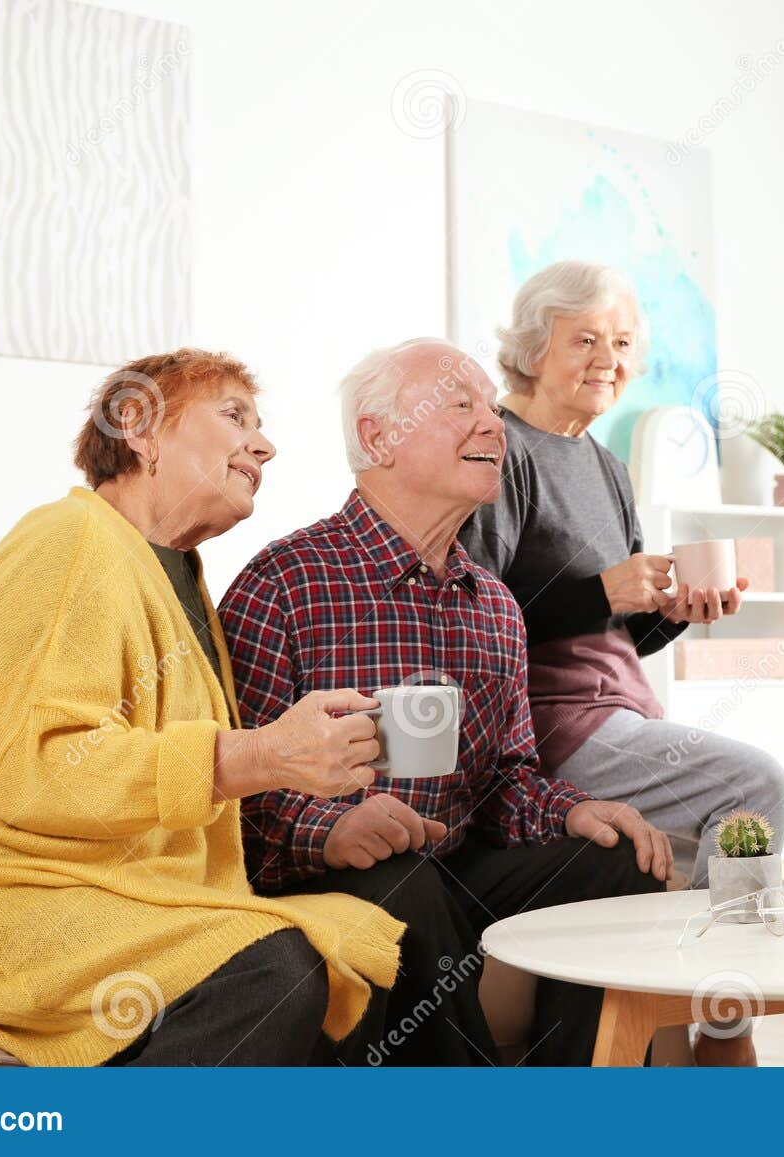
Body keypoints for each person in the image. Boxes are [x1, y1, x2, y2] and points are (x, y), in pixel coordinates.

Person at [0, 349, 404, 1067]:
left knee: (367, 950)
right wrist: (263, 753)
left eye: (261, 425)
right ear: (139, 422)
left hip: (88, 899)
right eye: (234, 416)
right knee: (269, 972)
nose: (265, 444)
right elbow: (41, 771)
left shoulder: (176, 578)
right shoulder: (69, 541)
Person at [218, 338, 671, 1067]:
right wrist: (329, 830)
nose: (494, 426)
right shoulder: (284, 582)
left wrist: (570, 810)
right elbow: (231, 796)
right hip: (333, 878)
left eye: (492, 408)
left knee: (616, 858)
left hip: (454, 864)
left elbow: (504, 782)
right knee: (401, 882)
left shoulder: (493, 604)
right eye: (461, 405)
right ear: (378, 437)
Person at [456, 261, 784, 886]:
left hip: (623, 712)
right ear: (533, 349)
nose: (608, 358)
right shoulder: (502, 448)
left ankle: (681, 974)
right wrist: (601, 591)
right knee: (755, 785)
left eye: (622, 342)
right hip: (552, 724)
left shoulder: (608, 466)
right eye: (584, 340)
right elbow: (474, 626)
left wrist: (670, 615)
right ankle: (730, 965)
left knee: (682, 870)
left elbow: (613, 633)